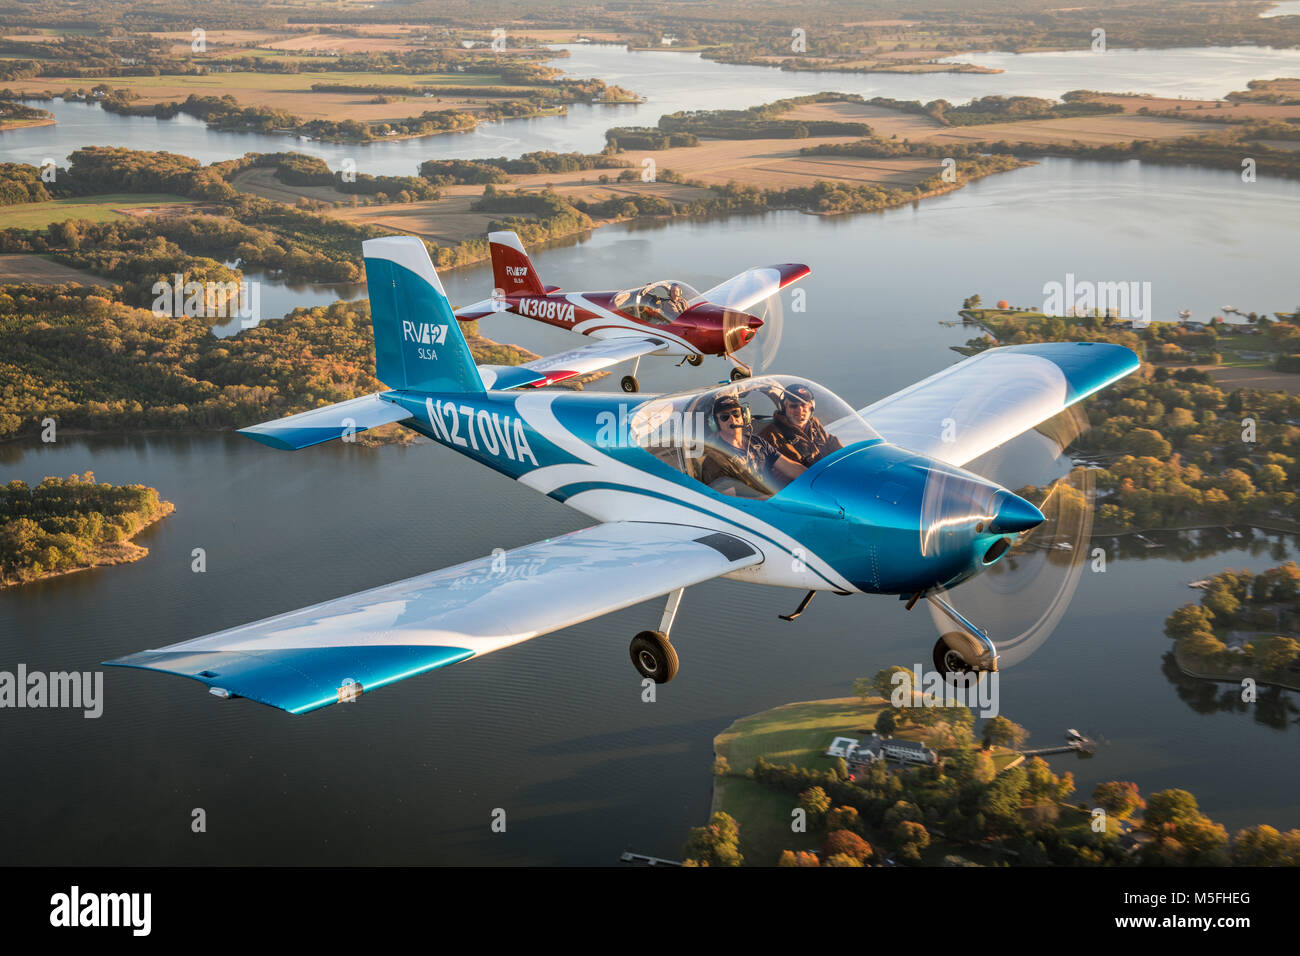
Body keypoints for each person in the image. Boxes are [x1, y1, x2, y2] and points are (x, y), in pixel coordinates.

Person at [698, 393, 804, 494]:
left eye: (736, 413)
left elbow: (790, 467)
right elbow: (732, 500)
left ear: (744, 416)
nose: (732, 419)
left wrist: (814, 477)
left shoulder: (757, 442)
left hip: (777, 499)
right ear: (715, 423)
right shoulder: (715, 458)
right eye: (724, 417)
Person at [760, 383, 843, 467]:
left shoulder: (814, 424)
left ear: (811, 408)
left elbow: (833, 445)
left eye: (804, 405)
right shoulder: (770, 435)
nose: (799, 410)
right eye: (793, 406)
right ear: (784, 408)